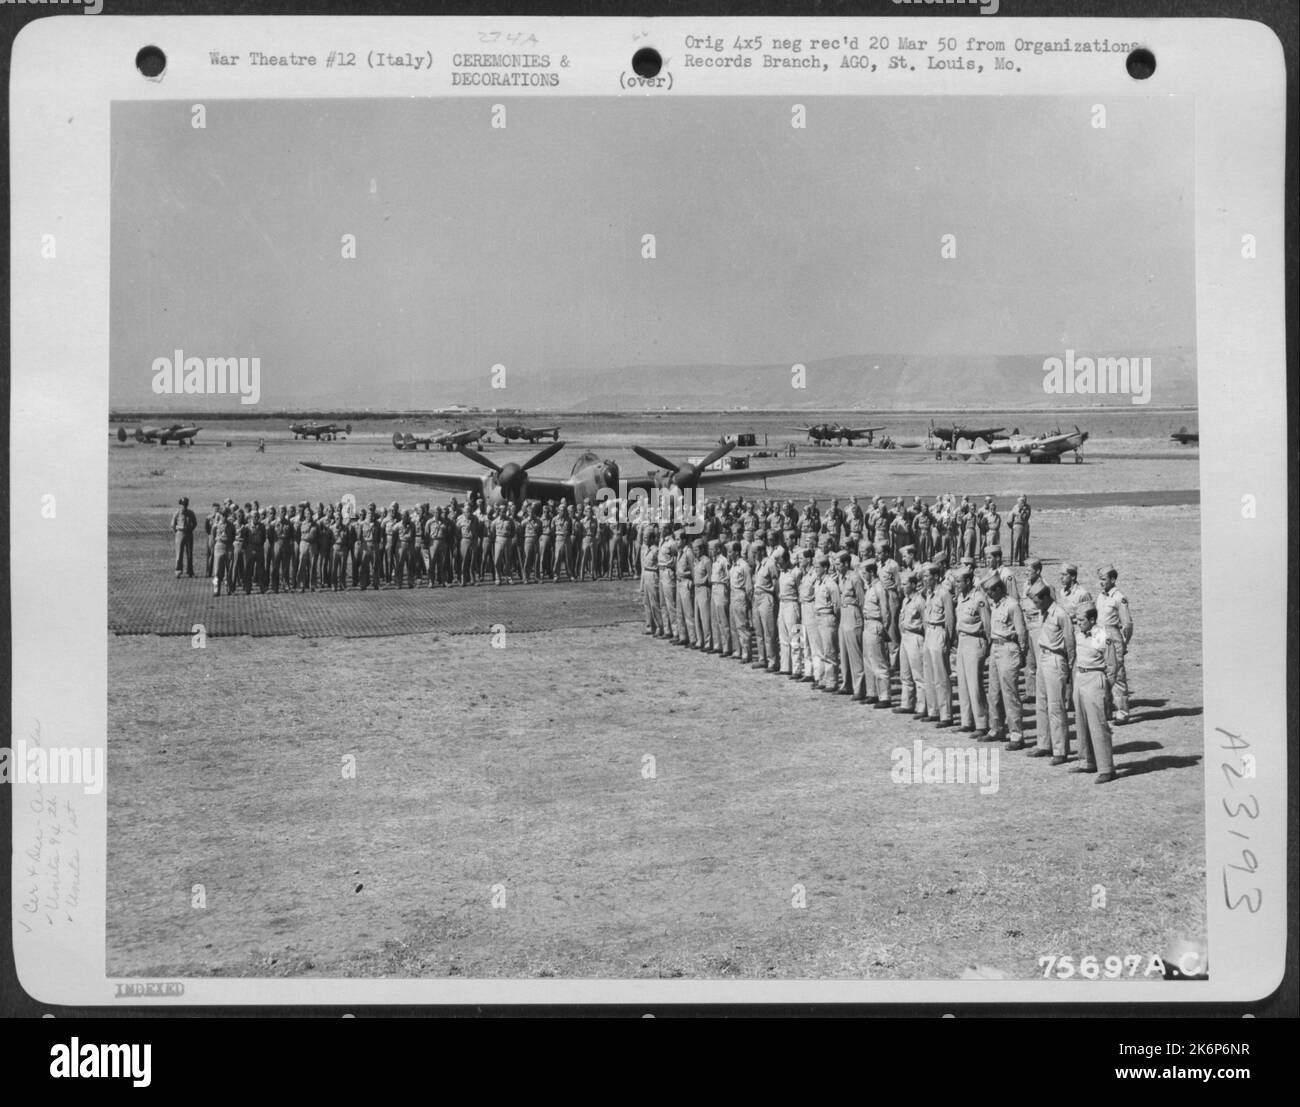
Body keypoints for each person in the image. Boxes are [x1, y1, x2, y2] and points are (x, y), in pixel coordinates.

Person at [1029, 579, 1076, 765]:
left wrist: (1070, 668)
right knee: (1041, 703)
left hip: (1056, 659)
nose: (1036, 606)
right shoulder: (1044, 612)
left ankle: (1060, 750)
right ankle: (1044, 743)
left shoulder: (1060, 614)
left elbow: (1070, 643)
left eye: (1038, 602)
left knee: (1056, 706)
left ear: (1046, 597)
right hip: (1043, 658)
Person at [1072, 603, 1117, 783]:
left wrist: (1106, 688)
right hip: (1080, 677)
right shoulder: (1079, 634)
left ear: (1092, 620)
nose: (1078, 623)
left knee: (1098, 725)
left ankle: (1107, 768)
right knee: (1081, 722)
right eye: (1077, 620)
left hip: (1095, 679)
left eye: (1082, 620)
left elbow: (1112, 666)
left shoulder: (1101, 636)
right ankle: (1086, 761)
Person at [983, 574, 1027, 748]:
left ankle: (1016, 734)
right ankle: (996, 728)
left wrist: (1021, 653)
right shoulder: (995, 604)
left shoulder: (1012, 605)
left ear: (999, 589)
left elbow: (1022, 632)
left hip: (1009, 648)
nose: (989, 595)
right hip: (995, 647)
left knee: (1010, 693)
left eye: (991, 592)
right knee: (993, 691)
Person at [953, 566, 990, 732]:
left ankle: (981, 723)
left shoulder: (979, 598)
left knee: (975, 685)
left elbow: (987, 625)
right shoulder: (961, 598)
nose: (957, 584)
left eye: (959, 581)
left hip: (975, 642)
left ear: (968, 581)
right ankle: (967, 721)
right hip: (962, 642)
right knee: (963, 684)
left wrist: (987, 647)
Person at [1095, 565, 1133, 724]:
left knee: (1117, 674)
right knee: (1101, 672)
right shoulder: (1101, 596)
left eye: (1104, 579)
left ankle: (1122, 712)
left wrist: (1123, 643)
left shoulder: (1119, 598)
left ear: (1112, 579)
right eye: (1100, 580)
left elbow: (1128, 624)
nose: (1101, 583)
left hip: (1113, 635)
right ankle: (1107, 709)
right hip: (1099, 635)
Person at [923, 563, 955, 727]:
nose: (924, 579)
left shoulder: (944, 594)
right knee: (929, 675)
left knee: (941, 677)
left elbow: (949, 620)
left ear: (935, 577)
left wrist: (947, 641)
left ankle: (946, 714)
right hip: (929, 632)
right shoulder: (929, 594)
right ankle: (933, 710)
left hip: (939, 633)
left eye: (927, 576)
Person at [895, 570, 927, 718]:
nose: (902, 587)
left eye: (905, 584)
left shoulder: (920, 601)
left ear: (913, 585)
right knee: (905, 673)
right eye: (901, 584)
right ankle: (907, 703)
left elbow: (925, 623)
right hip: (905, 637)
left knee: (918, 674)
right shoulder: (905, 600)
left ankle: (922, 706)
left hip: (915, 637)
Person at [835, 551, 866, 699]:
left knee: (855, 654)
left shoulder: (854, 578)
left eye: (839, 564)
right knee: (844, 652)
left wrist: (862, 621)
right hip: (844, 614)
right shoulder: (841, 578)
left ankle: (859, 688)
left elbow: (861, 600)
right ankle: (846, 684)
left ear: (846, 564)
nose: (836, 567)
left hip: (853, 614)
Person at [728, 542, 754, 663]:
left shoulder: (744, 566)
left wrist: (748, 602)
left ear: (737, 552)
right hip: (733, 594)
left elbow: (748, 586)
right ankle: (737, 650)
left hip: (740, 595)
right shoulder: (733, 565)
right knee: (733, 624)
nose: (729, 554)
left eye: (730, 552)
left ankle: (746, 653)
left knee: (742, 625)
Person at [171, 497, 197, 577]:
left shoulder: (191, 513)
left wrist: (190, 530)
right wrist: (177, 532)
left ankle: (190, 571)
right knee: (179, 554)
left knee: (189, 553)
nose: (184, 506)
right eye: (182, 505)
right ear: (180, 505)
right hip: (180, 533)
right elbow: (172, 524)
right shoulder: (177, 513)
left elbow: (195, 523)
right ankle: (178, 571)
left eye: (185, 505)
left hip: (189, 533)